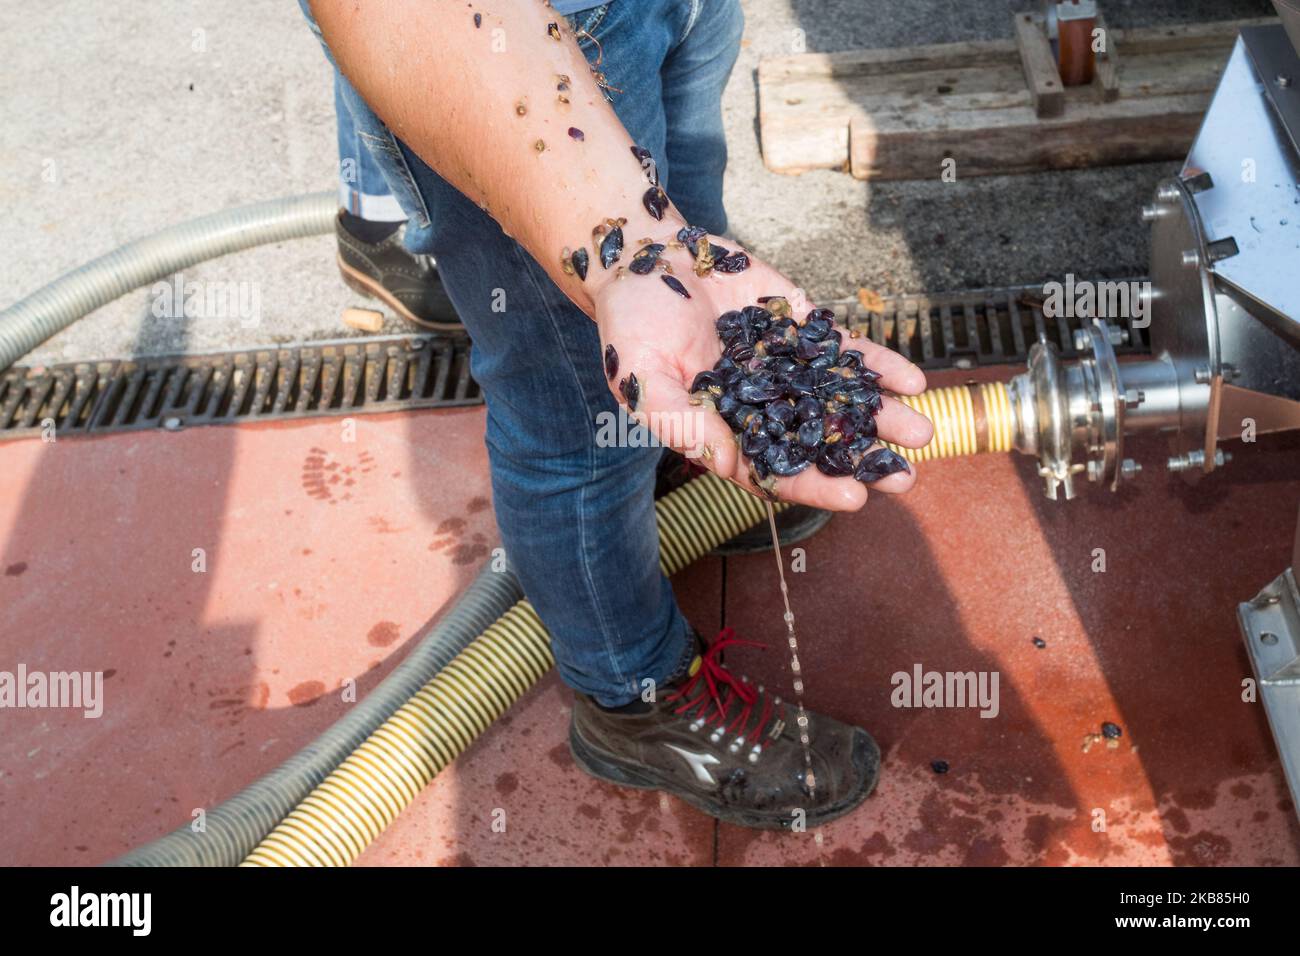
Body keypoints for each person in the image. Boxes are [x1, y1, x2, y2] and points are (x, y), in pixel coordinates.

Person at [302, 0, 933, 830]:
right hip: (493, 50)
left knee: (690, 248)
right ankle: (632, 697)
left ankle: (672, 463)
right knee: (573, 402)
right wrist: (622, 260)